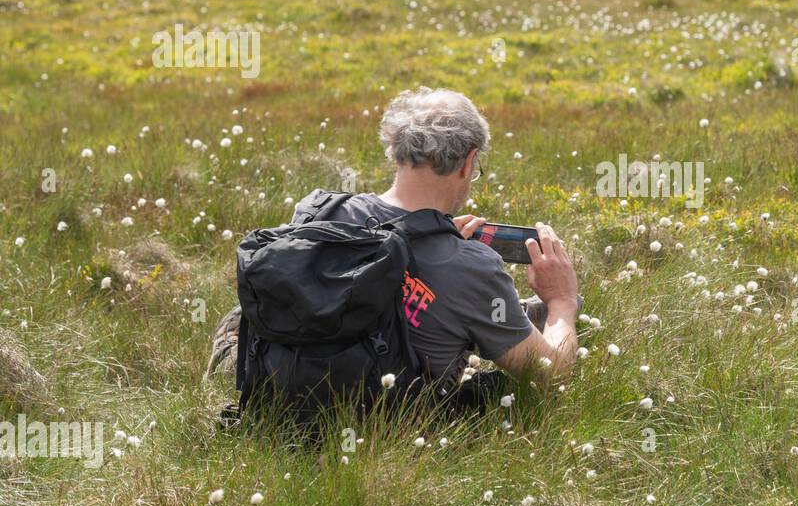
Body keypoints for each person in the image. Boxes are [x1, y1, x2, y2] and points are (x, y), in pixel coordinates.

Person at [207, 87, 579, 412]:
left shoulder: (321, 211)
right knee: (515, 381)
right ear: (468, 161)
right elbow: (550, 372)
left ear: (395, 148)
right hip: (384, 425)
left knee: (236, 316)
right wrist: (562, 300)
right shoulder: (472, 267)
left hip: (280, 400)